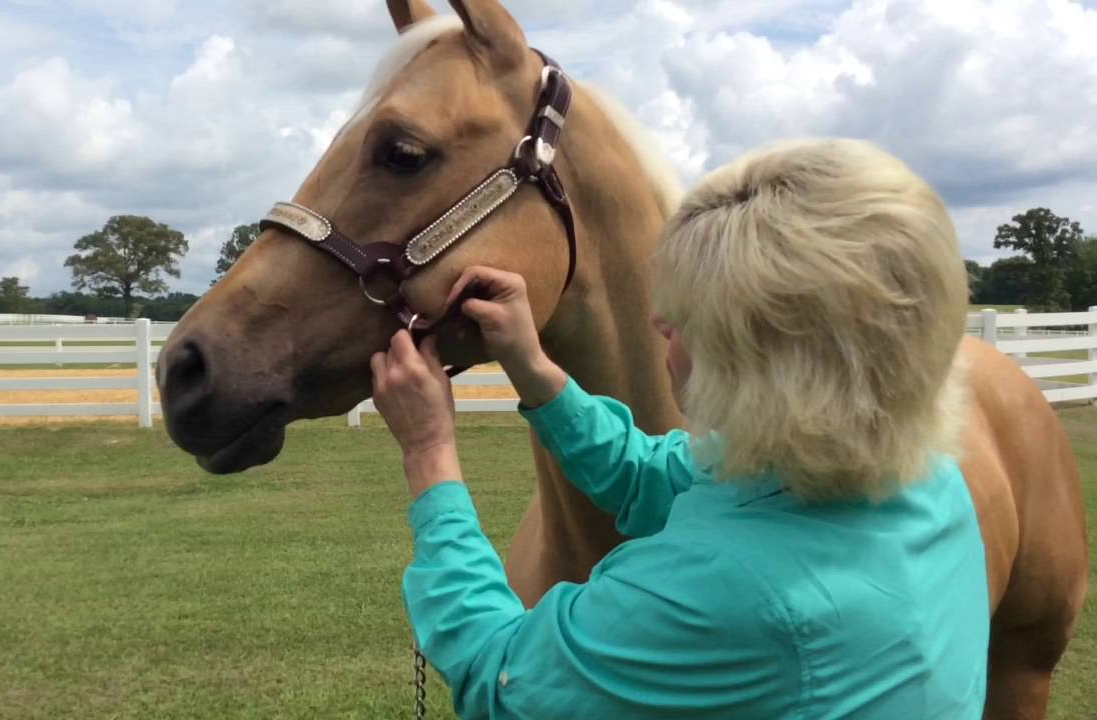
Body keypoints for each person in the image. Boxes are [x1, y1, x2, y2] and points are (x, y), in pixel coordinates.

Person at [369, 137, 988, 719]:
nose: (660, 319)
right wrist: (532, 367)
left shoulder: (730, 598)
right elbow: (651, 476)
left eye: (693, 315)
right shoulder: (922, 474)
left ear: (770, 364)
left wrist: (430, 451)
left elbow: (500, 674)